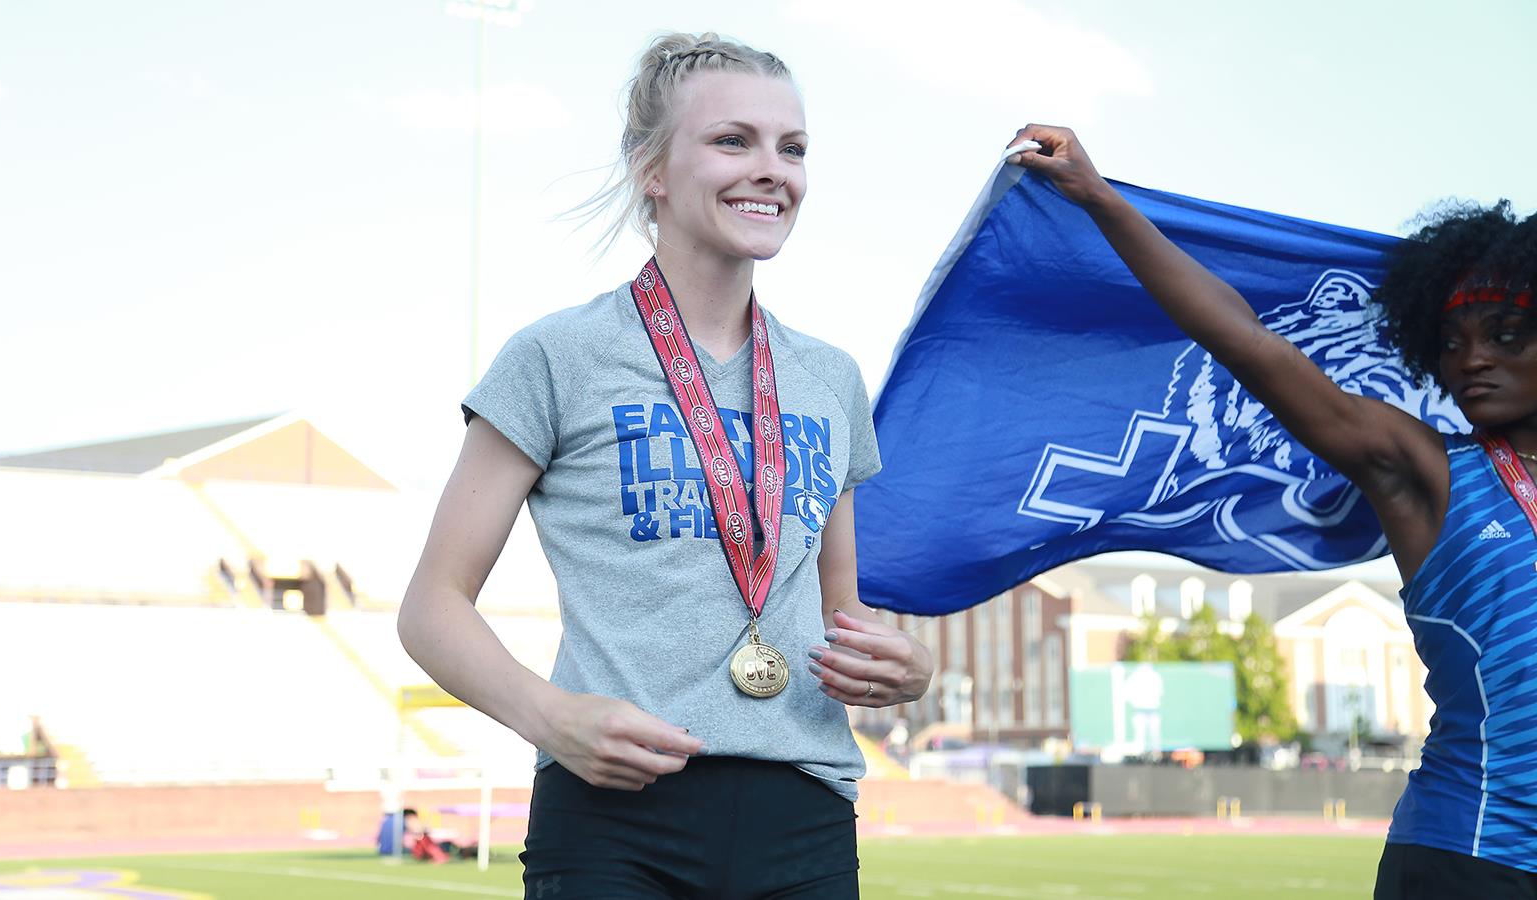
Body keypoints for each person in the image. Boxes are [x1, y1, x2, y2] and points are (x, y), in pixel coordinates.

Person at [397, 32, 934, 899]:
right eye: (733, 140)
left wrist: (906, 667)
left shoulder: (831, 379)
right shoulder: (555, 357)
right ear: (653, 170)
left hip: (805, 817)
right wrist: (553, 717)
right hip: (613, 817)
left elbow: (841, 612)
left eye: (791, 148)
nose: (773, 168)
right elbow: (430, 606)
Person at [1007, 124, 1536, 898]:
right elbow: (1248, 342)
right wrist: (1100, 197)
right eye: (1451, 341)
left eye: (1506, 334)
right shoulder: (1424, 470)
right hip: (1472, 857)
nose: (1472, 358)